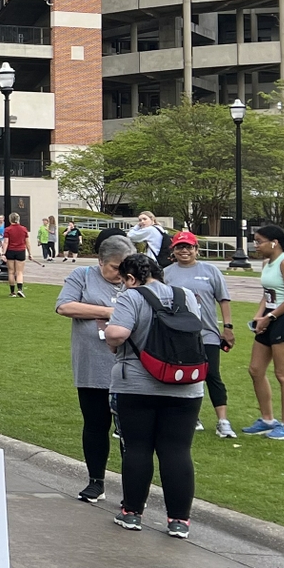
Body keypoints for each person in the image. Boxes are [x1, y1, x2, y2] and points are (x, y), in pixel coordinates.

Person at [104, 252, 214, 538]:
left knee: (138, 447)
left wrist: (107, 336)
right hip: (186, 385)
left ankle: (132, 513)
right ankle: (179, 520)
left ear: (131, 277)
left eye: (123, 280)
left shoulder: (132, 296)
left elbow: (117, 333)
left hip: (138, 384)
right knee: (177, 450)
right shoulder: (186, 295)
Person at [55, 234, 132, 502]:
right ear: (100, 262)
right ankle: (96, 481)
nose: (120, 274)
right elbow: (64, 307)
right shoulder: (82, 275)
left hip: (129, 367)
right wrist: (110, 312)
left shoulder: (134, 278)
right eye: (114, 267)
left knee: (130, 431)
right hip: (92, 364)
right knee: (95, 424)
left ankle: (133, 491)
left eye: (125, 268)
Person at [164, 231, 237, 438]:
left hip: (208, 333)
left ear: (196, 249)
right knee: (183, 375)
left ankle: (223, 420)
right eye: (179, 247)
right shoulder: (167, 273)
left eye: (188, 247)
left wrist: (228, 327)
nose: (184, 251)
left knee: (212, 374)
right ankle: (190, 417)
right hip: (179, 333)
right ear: (174, 251)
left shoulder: (210, 271)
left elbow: (223, 299)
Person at [241, 224, 284, 440]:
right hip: (270, 316)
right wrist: (259, 316)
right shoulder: (268, 263)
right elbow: (267, 294)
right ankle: (267, 420)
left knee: (283, 374)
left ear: (273, 242)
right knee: (255, 370)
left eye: (259, 241)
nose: (256, 245)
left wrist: (270, 317)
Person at [1, 212, 30, 298]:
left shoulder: (8, 229)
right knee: (19, 272)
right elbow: (27, 242)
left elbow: (6, 242)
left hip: (10, 251)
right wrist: (30, 253)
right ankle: (20, 289)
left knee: (11, 272)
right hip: (20, 251)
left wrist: (3, 253)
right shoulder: (24, 229)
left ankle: (12, 292)